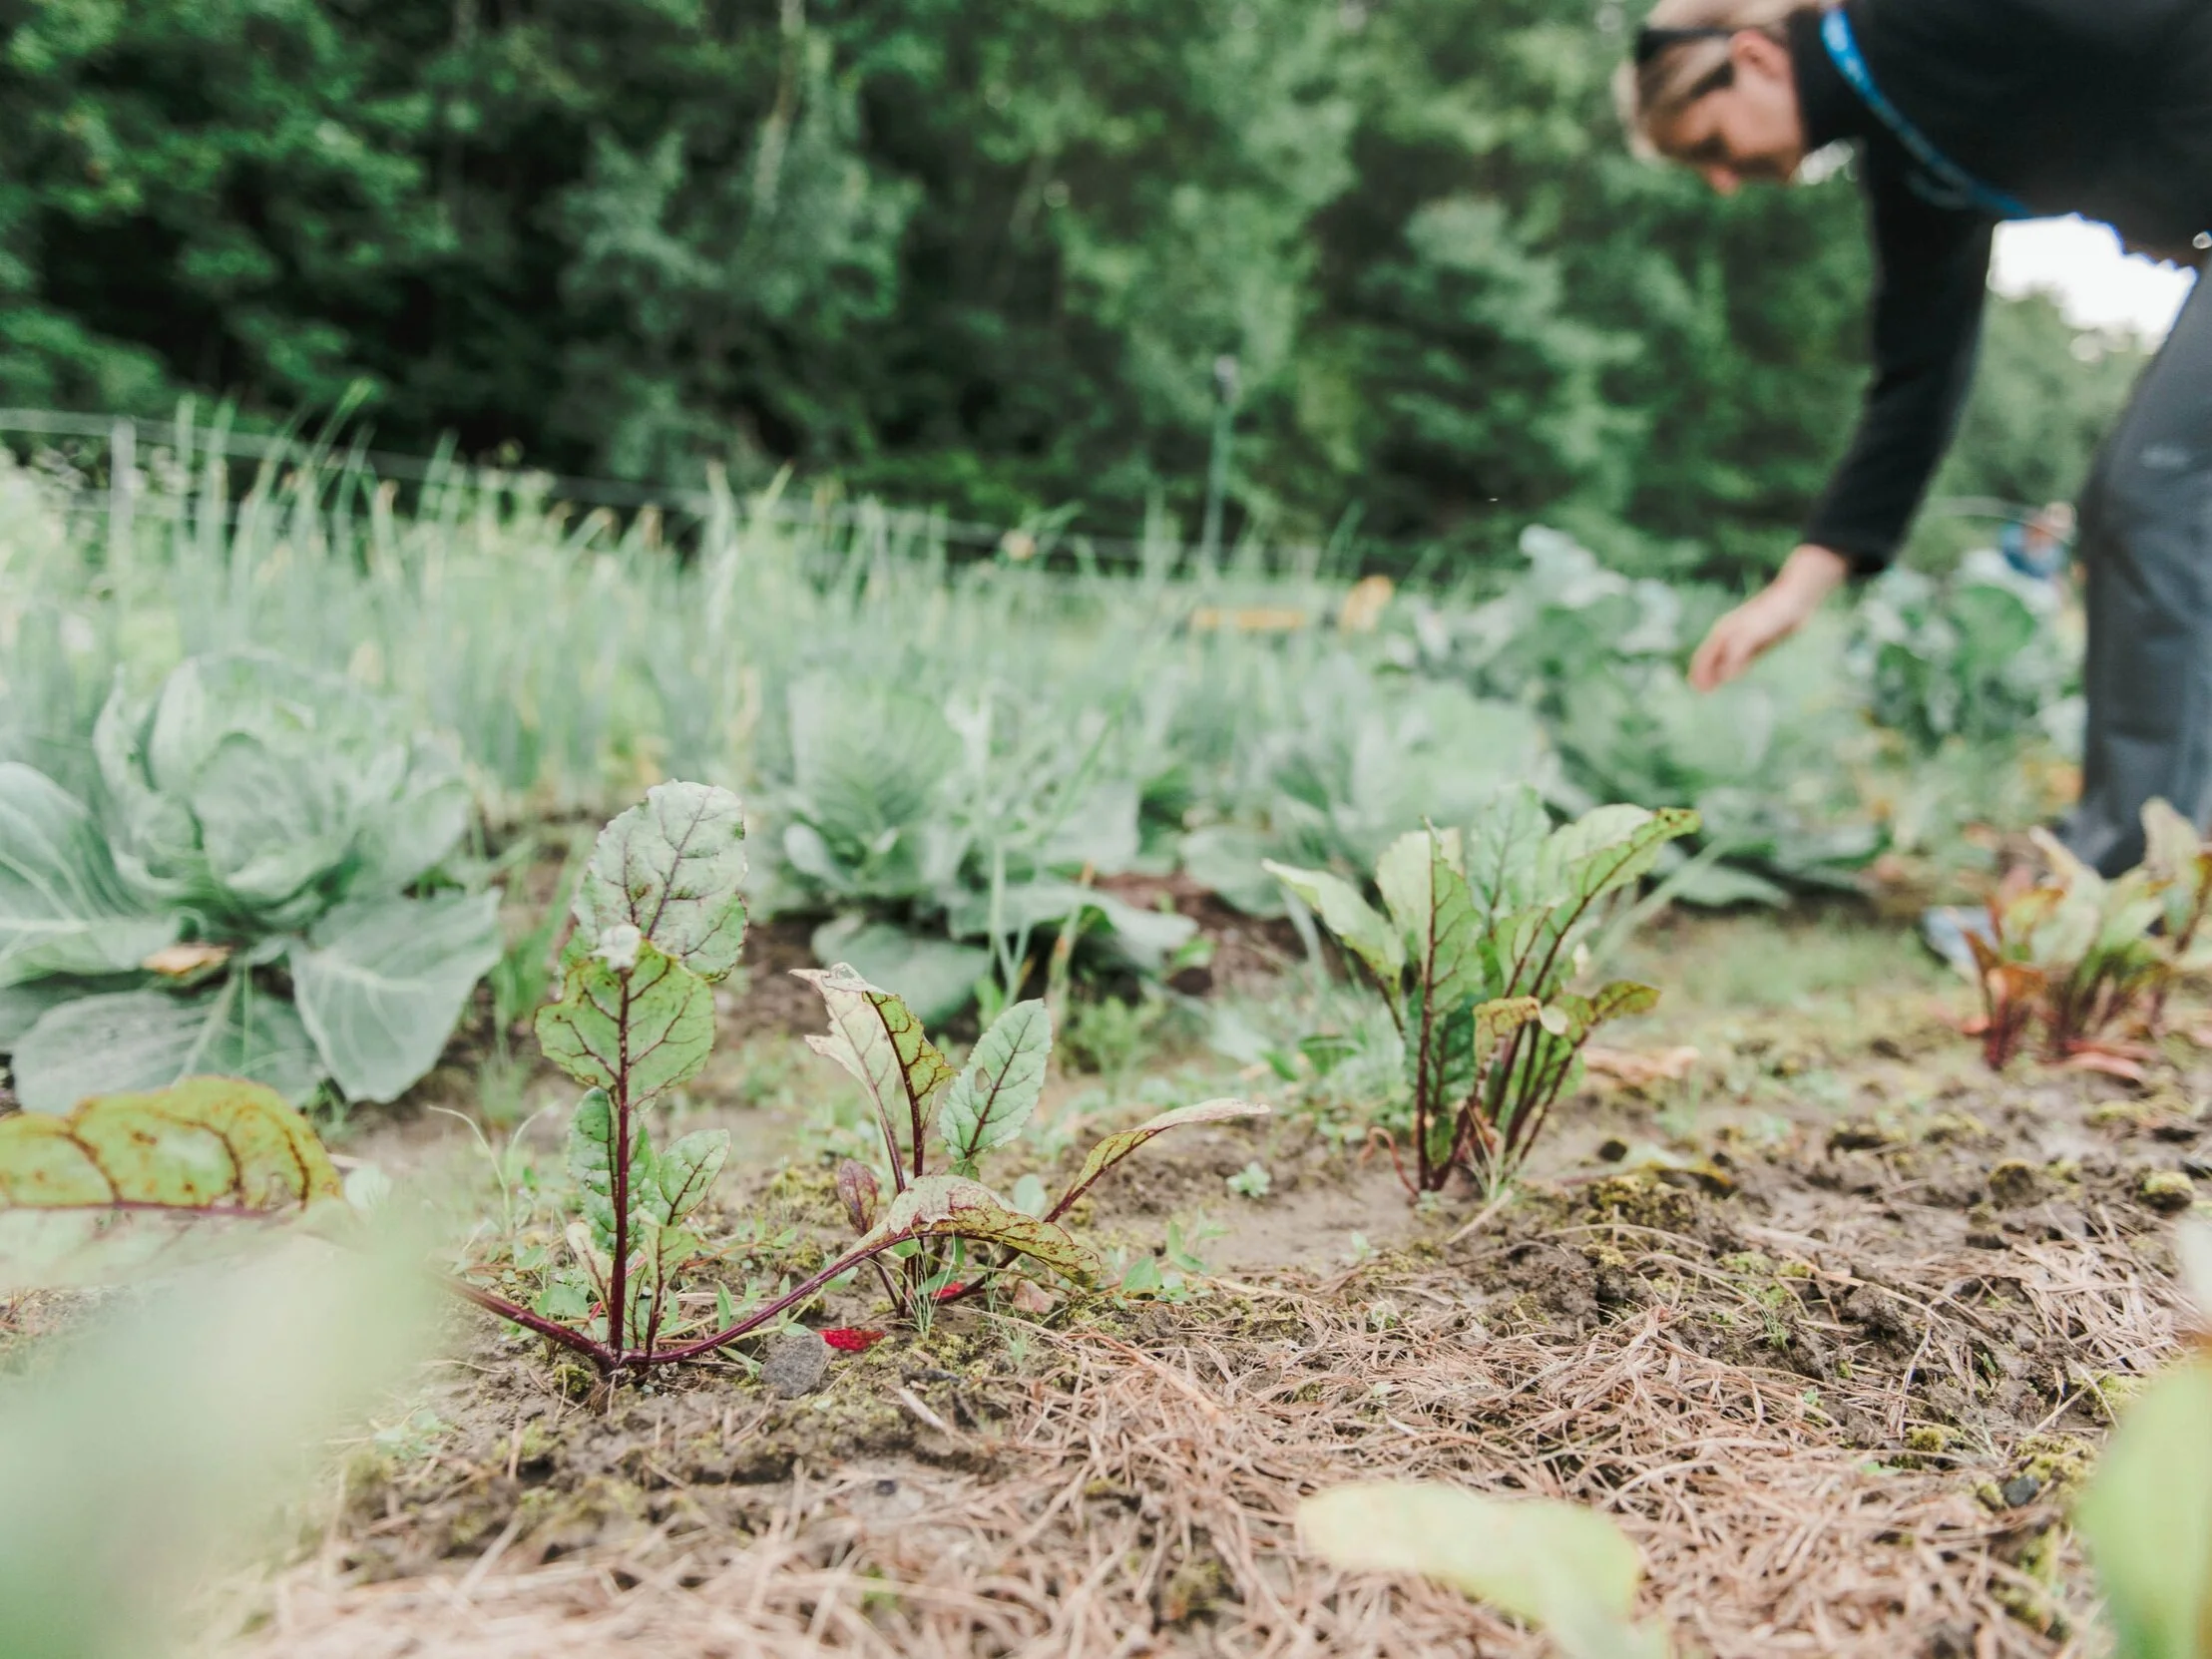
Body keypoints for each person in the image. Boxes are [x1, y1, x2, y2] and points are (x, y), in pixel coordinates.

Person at [1617, 0, 2211, 877]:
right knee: (2147, 496)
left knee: (2147, 489)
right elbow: (1916, 381)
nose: (1722, 179)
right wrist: (1798, 585)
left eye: (1708, 144)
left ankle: (2133, 881)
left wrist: (2170, 185)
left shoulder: (1927, 17)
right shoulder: (1910, 166)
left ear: (1753, 57)